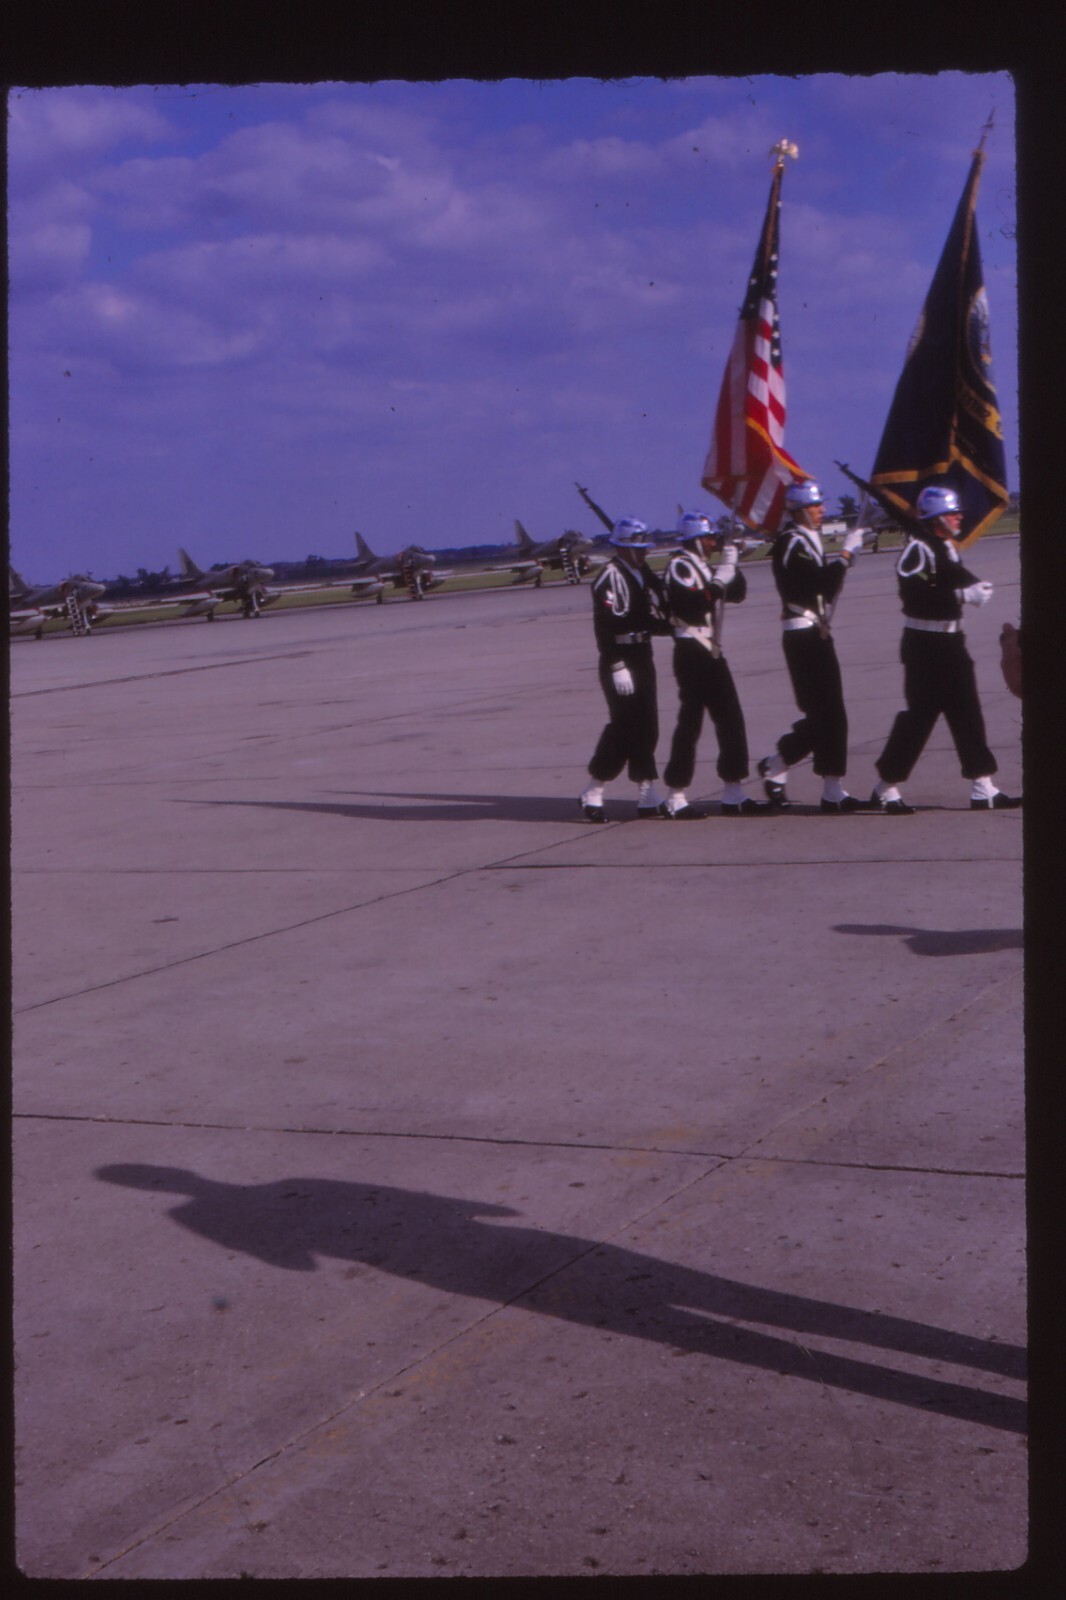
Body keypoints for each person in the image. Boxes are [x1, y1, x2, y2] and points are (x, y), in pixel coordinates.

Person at [867, 485, 1022, 814]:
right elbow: (913, 594)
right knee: (919, 718)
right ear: (936, 518)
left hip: (951, 643)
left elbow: (951, 577)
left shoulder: (944, 548)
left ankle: (983, 785)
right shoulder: (918, 549)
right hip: (926, 645)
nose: (960, 517)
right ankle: (887, 786)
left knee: (967, 711)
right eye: (953, 513)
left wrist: (972, 585)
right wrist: (962, 597)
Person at [757, 480, 866, 812]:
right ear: (800, 510)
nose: (823, 510)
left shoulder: (807, 540)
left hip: (815, 633)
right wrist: (845, 556)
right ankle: (781, 765)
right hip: (803, 636)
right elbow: (822, 585)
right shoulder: (793, 543)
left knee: (831, 714)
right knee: (824, 714)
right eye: (817, 506)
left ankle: (823, 784)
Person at [659, 511, 765, 817]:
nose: (712, 543)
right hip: (691, 649)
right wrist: (722, 575)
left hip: (711, 650)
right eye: (708, 538)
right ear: (694, 539)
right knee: (690, 723)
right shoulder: (680, 566)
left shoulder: (704, 567)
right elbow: (695, 604)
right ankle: (676, 795)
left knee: (731, 719)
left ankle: (733, 790)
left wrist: (733, 565)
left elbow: (737, 594)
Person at [579, 519, 669, 822]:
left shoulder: (640, 573)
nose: (641, 553)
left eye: (643, 548)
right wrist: (617, 665)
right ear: (621, 548)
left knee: (648, 726)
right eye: (635, 548)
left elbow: (649, 614)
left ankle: (647, 791)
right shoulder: (609, 577)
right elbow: (606, 627)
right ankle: (594, 789)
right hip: (619, 658)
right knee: (624, 728)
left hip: (642, 654)